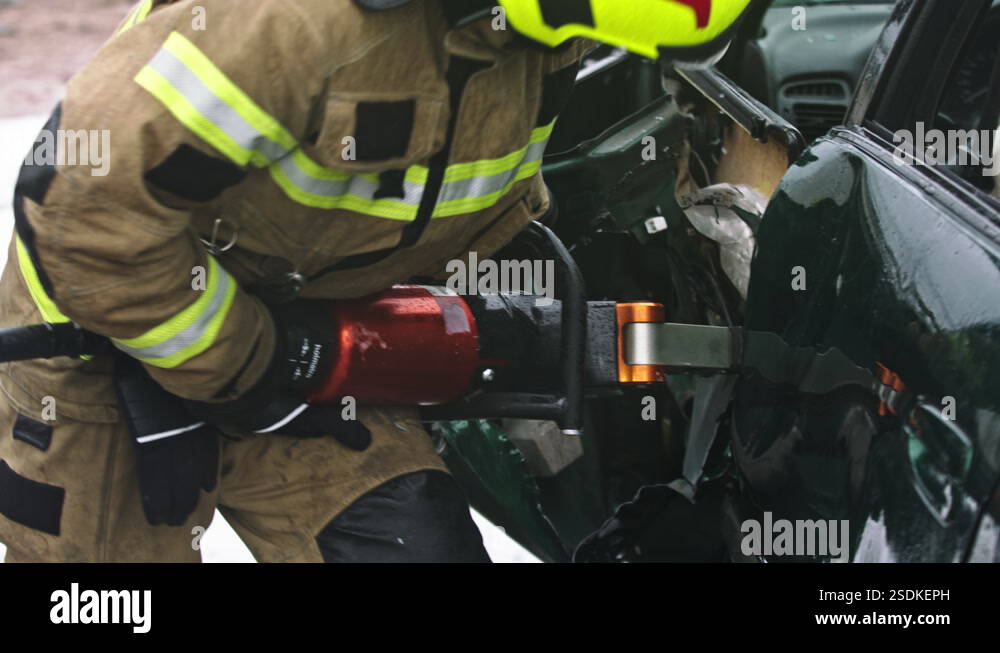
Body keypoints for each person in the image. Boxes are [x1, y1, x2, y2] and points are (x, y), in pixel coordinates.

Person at [0, 0, 754, 562]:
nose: (577, 47)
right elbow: (78, 211)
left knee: (416, 545)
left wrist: (497, 322)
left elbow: (476, 199)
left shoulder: (552, 32)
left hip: (312, 341)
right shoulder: (294, 21)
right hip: (100, 340)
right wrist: (251, 364)